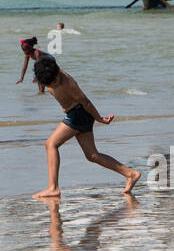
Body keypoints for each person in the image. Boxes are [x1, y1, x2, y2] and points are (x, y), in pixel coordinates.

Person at [30, 55, 141, 199]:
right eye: (51, 83)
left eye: (56, 80)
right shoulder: (46, 75)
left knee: (51, 144)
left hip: (79, 113)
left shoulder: (67, 82)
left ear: (58, 71)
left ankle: (53, 188)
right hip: (75, 114)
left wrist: (100, 119)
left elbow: (86, 102)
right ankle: (130, 174)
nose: (55, 84)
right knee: (92, 155)